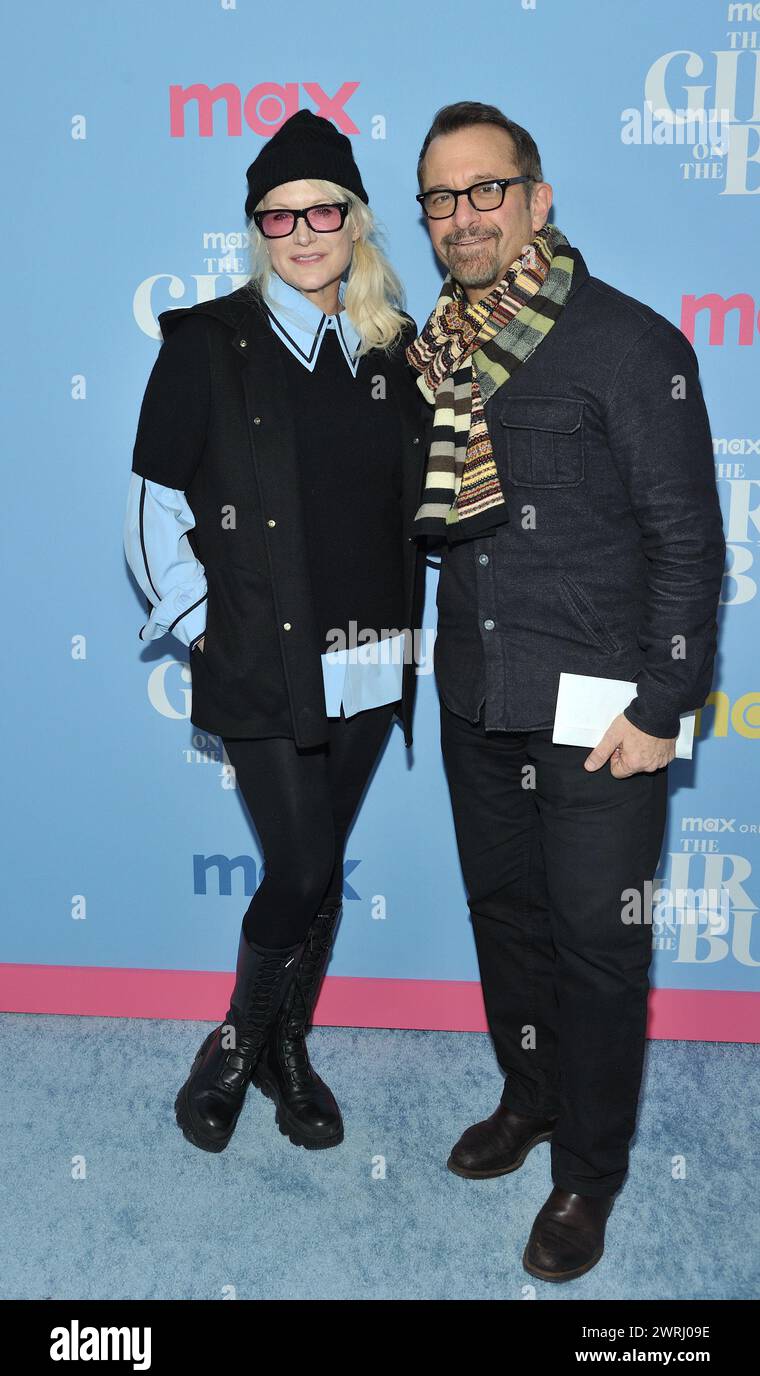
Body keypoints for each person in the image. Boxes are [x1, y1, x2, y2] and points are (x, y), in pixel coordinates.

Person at [409, 101, 725, 1282]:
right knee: (508, 919)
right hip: (477, 698)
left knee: (598, 945)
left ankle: (589, 1171)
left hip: (604, 716)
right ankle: (530, 1097)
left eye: (486, 190)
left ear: (539, 200)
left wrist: (663, 706)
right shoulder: (432, 352)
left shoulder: (633, 348)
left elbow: (689, 543)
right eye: (441, 198)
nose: (462, 217)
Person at [124, 110, 429, 1155]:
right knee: (298, 868)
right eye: (278, 214)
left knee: (321, 856)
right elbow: (152, 501)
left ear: (355, 219)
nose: (301, 230)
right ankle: (231, 1050)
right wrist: (206, 630)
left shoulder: (396, 345)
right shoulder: (209, 342)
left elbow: (427, 498)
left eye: (321, 209)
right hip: (263, 652)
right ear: (257, 227)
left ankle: (287, 1050)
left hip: (373, 649)